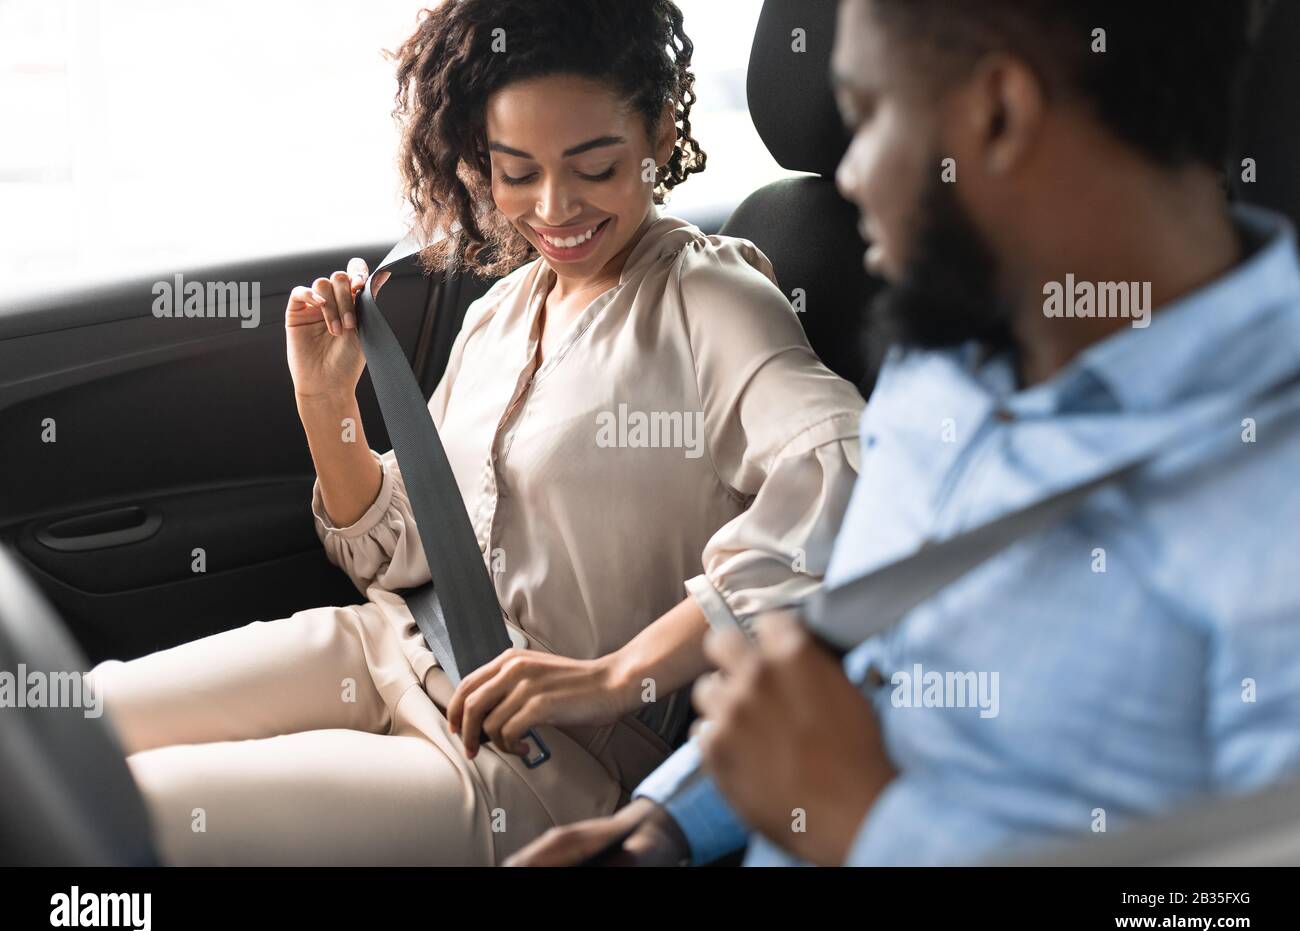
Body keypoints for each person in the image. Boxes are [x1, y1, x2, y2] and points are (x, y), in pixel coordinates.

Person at [507, 0, 1300, 867]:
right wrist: (661, 829)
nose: (847, 177)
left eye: (867, 117)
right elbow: (852, 665)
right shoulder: (935, 373)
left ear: (997, 113)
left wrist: (871, 826)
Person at [86, 0, 864, 865]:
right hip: (390, 647)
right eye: (517, 173)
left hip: (533, 764)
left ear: (658, 130)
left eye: (595, 165)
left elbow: (848, 481)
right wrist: (326, 404)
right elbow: (408, 553)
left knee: (130, 811)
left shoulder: (711, 299)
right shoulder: (501, 311)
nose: (555, 206)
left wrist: (612, 677)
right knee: (65, 721)